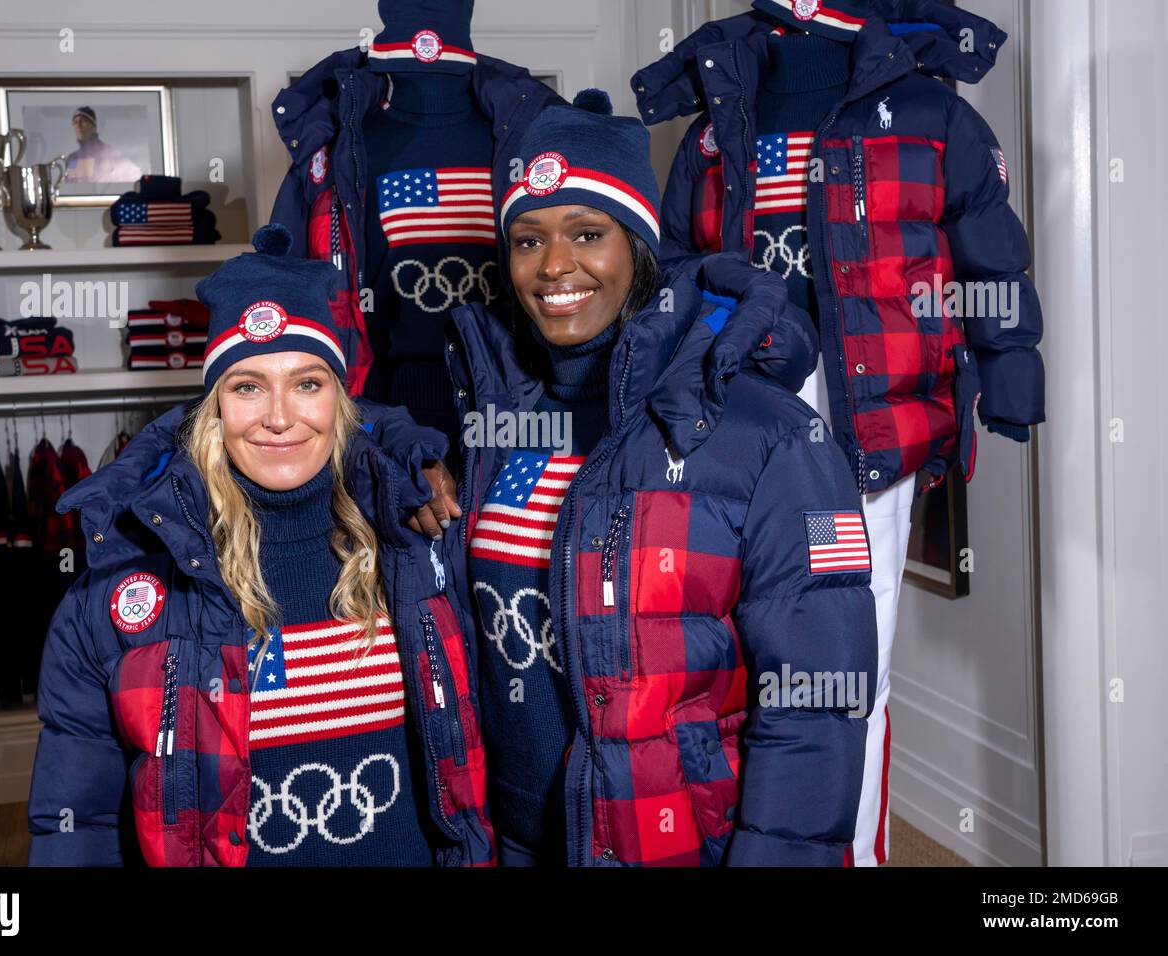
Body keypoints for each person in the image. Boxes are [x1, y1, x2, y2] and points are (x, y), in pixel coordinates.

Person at [411, 89, 878, 865]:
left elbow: (816, 708)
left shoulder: (772, 437)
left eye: (587, 233)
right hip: (508, 837)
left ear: (638, 246)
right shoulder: (491, 420)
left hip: (665, 839)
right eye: (526, 241)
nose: (554, 266)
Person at [630, 0, 1045, 865]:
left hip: (870, 425)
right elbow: (675, 263)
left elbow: (987, 251)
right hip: (735, 420)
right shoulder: (719, 116)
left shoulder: (931, 116)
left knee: (848, 666)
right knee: (738, 653)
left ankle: (849, 852)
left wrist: (1010, 376)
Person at [26, 225, 493, 867]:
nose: (279, 416)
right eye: (247, 386)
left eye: (307, 383)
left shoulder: (414, 539)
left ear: (340, 398)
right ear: (214, 403)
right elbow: (78, 821)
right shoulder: (133, 577)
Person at [267, 0, 562, 449]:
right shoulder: (340, 146)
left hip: (524, 398)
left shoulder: (532, 137)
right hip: (380, 406)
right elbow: (286, 288)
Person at [63, 106, 141, 184]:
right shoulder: (73, 159)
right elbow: (70, 184)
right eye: (75, 122)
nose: (78, 126)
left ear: (94, 127)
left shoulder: (109, 153)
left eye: (84, 121)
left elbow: (134, 176)